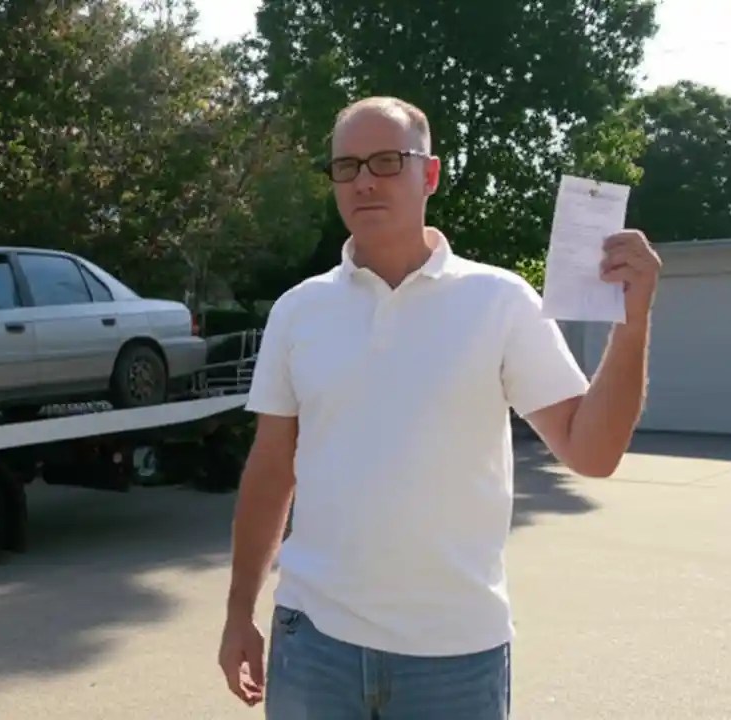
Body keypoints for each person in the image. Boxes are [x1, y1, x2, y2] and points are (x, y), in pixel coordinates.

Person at [216, 96, 661, 719]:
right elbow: (270, 469)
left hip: (455, 656)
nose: (364, 180)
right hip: (313, 644)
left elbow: (592, 452)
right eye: (346, 166)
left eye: (387, 161)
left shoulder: (500, 300)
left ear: (430, 174)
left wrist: (632, 325)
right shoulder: (298, 310)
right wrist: (240, 614)